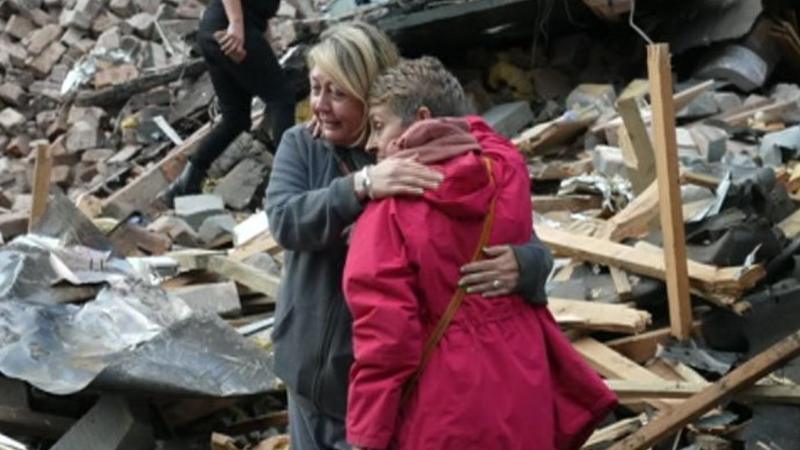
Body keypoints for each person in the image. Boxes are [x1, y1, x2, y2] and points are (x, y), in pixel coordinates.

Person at [265, 22, 554, 449]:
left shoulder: (425, 157)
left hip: (378, 389)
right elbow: (285, 219)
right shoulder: (303, 145)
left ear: (371, 93)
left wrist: (528, 264)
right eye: (315, 89)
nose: (320, 106)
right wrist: (359, 186)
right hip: (307, 372)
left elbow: (507, 231)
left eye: (337, 93)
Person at [343, 56, 617, 450]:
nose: (371, 143)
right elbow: (485, 138)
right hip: (525, 384)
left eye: (380, 126)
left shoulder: (389, 212)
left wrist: (366, 435)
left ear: (421, 119)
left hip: (446, 406)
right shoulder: (505, 171)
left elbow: (387, 338)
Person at [159, 0, 314, 205]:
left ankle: (185, 184)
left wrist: (269, 51)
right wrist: (236, 25)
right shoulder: (238, 24)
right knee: (281, 98)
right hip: (230, 34)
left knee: (236, 119)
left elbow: (260, 18)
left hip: (214, 32)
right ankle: (292, 179)